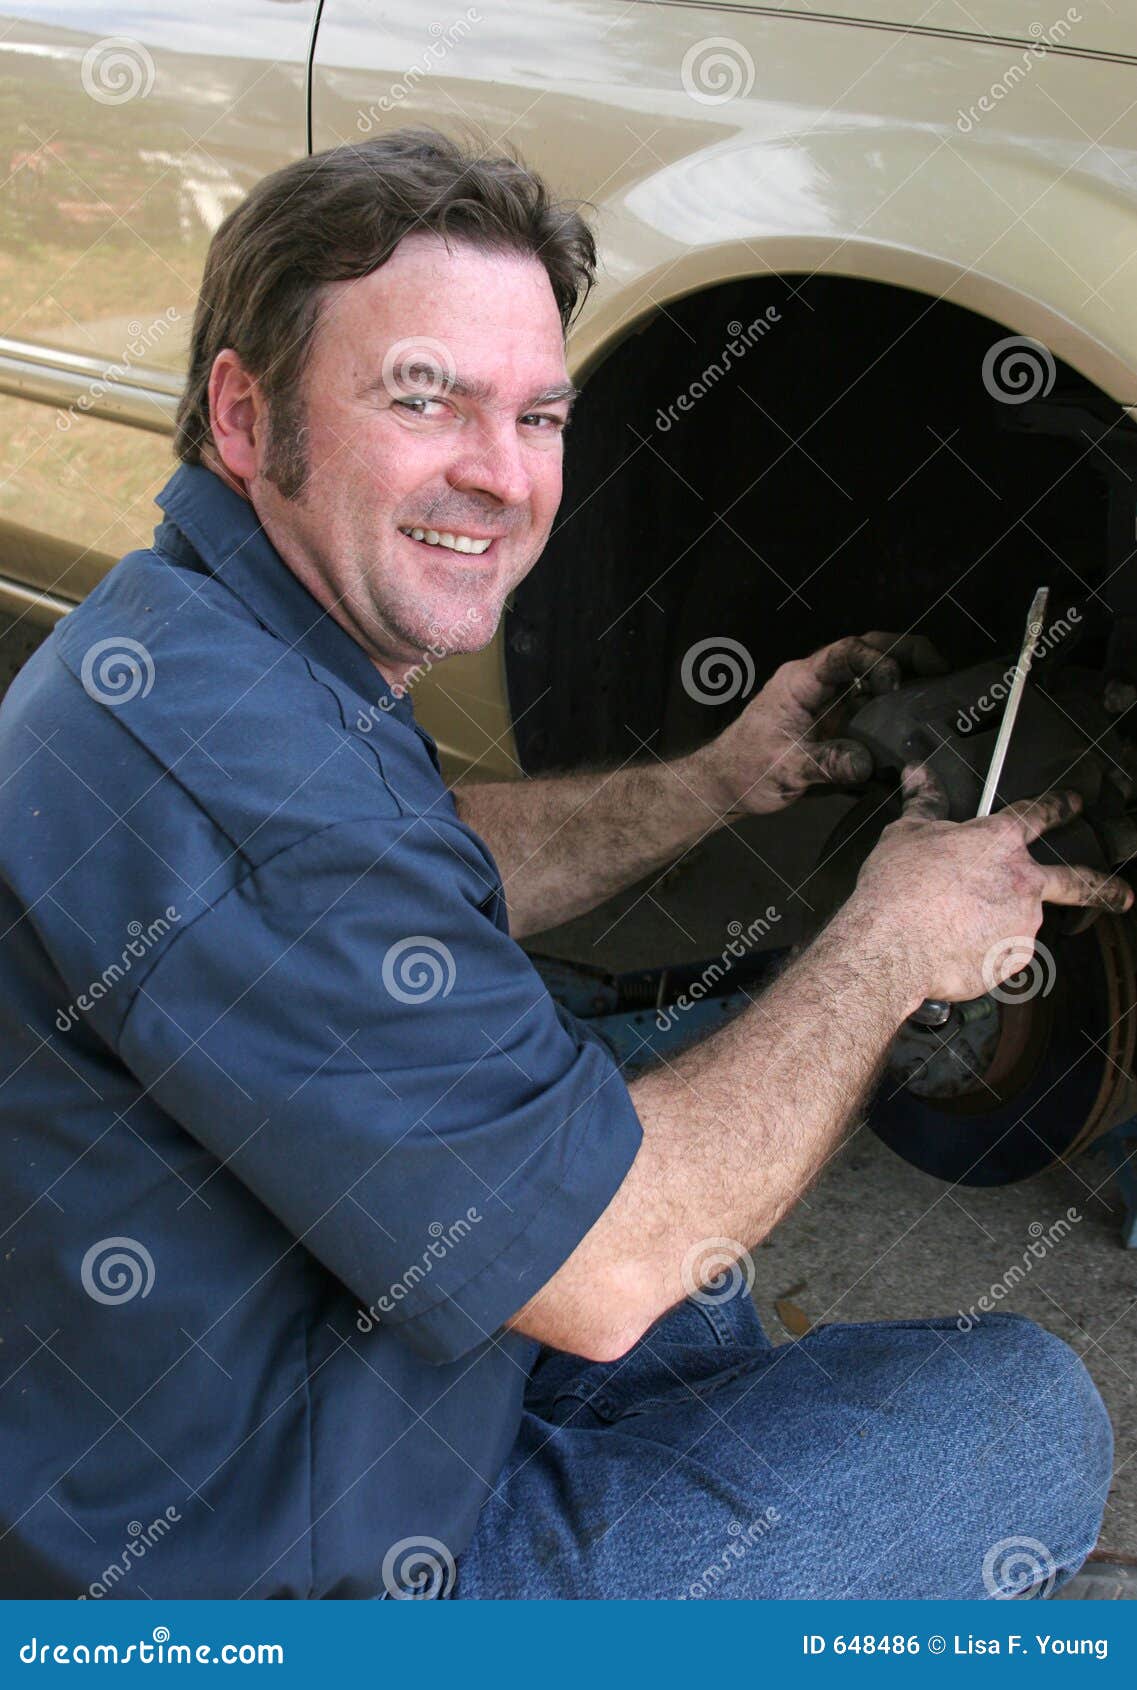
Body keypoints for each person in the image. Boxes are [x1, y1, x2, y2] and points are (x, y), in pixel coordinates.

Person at [0, 130, 1123, 1601]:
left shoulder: (199, 636)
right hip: (262, 1588)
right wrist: (888, 944)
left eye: (537, 414)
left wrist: (717, 782)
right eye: (425, 398)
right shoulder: (243, 780)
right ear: (243, 412)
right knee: (1013, 1420)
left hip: (280, 1384)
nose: (500, 473)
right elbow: (601, 1274)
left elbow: (414, 862)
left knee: (661, 1190)